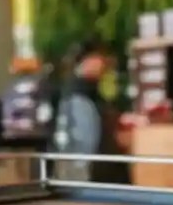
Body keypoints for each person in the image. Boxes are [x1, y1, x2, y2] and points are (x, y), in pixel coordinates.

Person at [54, 41, 131, 184]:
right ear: (88, 60)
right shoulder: (79, 94)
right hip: (92, 172)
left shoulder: (85, 90)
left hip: (97, 170)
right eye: (100, 59)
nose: (104, 65)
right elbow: (86, 136)